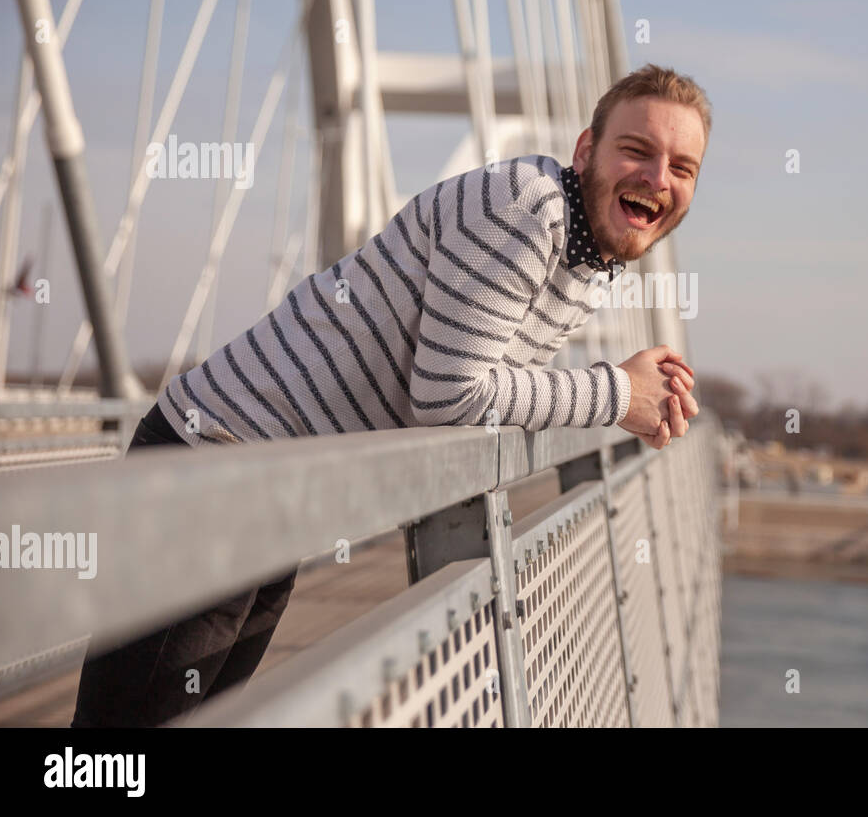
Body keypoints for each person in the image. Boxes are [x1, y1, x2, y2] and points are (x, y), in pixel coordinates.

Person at [71, 62, 709, 726]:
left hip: (271, 488)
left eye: (682, 167)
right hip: (208, 471)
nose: (658, 178)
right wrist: (615, 395)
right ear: (585, 151)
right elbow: (451, 396)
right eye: (636, 150)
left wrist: (640, 393)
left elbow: (491, 390)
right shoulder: (527, 208)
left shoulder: (587, 259)